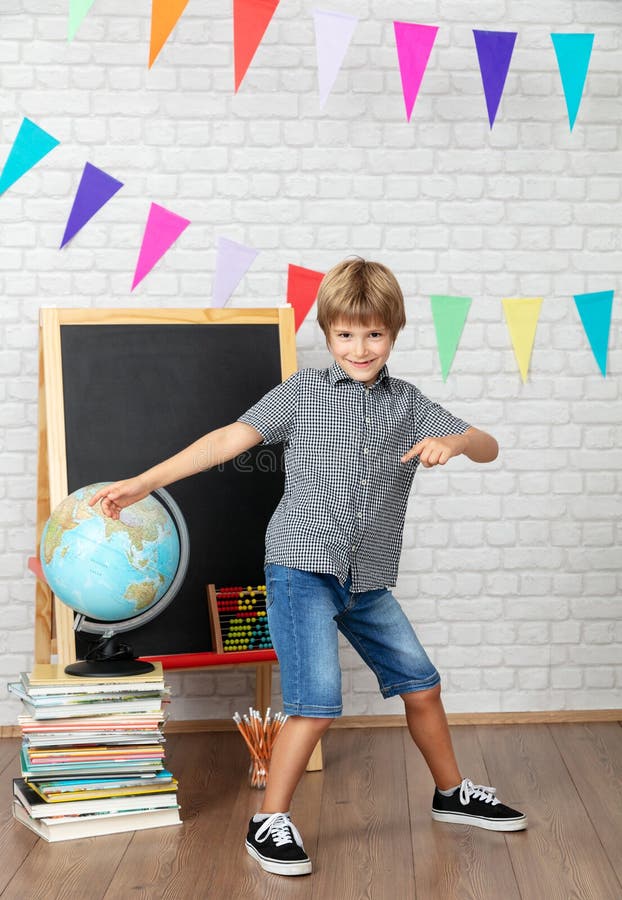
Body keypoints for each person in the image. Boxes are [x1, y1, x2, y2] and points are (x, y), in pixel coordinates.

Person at [90, 258, 527, 878]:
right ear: (326, 335)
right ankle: (268, 821)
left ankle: (451, 793)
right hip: (301, 570)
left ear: (394, 334)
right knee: (316, 703)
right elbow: (226, 440)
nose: (360, 347)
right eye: (346, 334)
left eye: (374, 334)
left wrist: (453, 442)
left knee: (422, 684)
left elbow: (489, 445)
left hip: (367, 580)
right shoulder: (301, 394)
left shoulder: (409, 404)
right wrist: (144, 483)